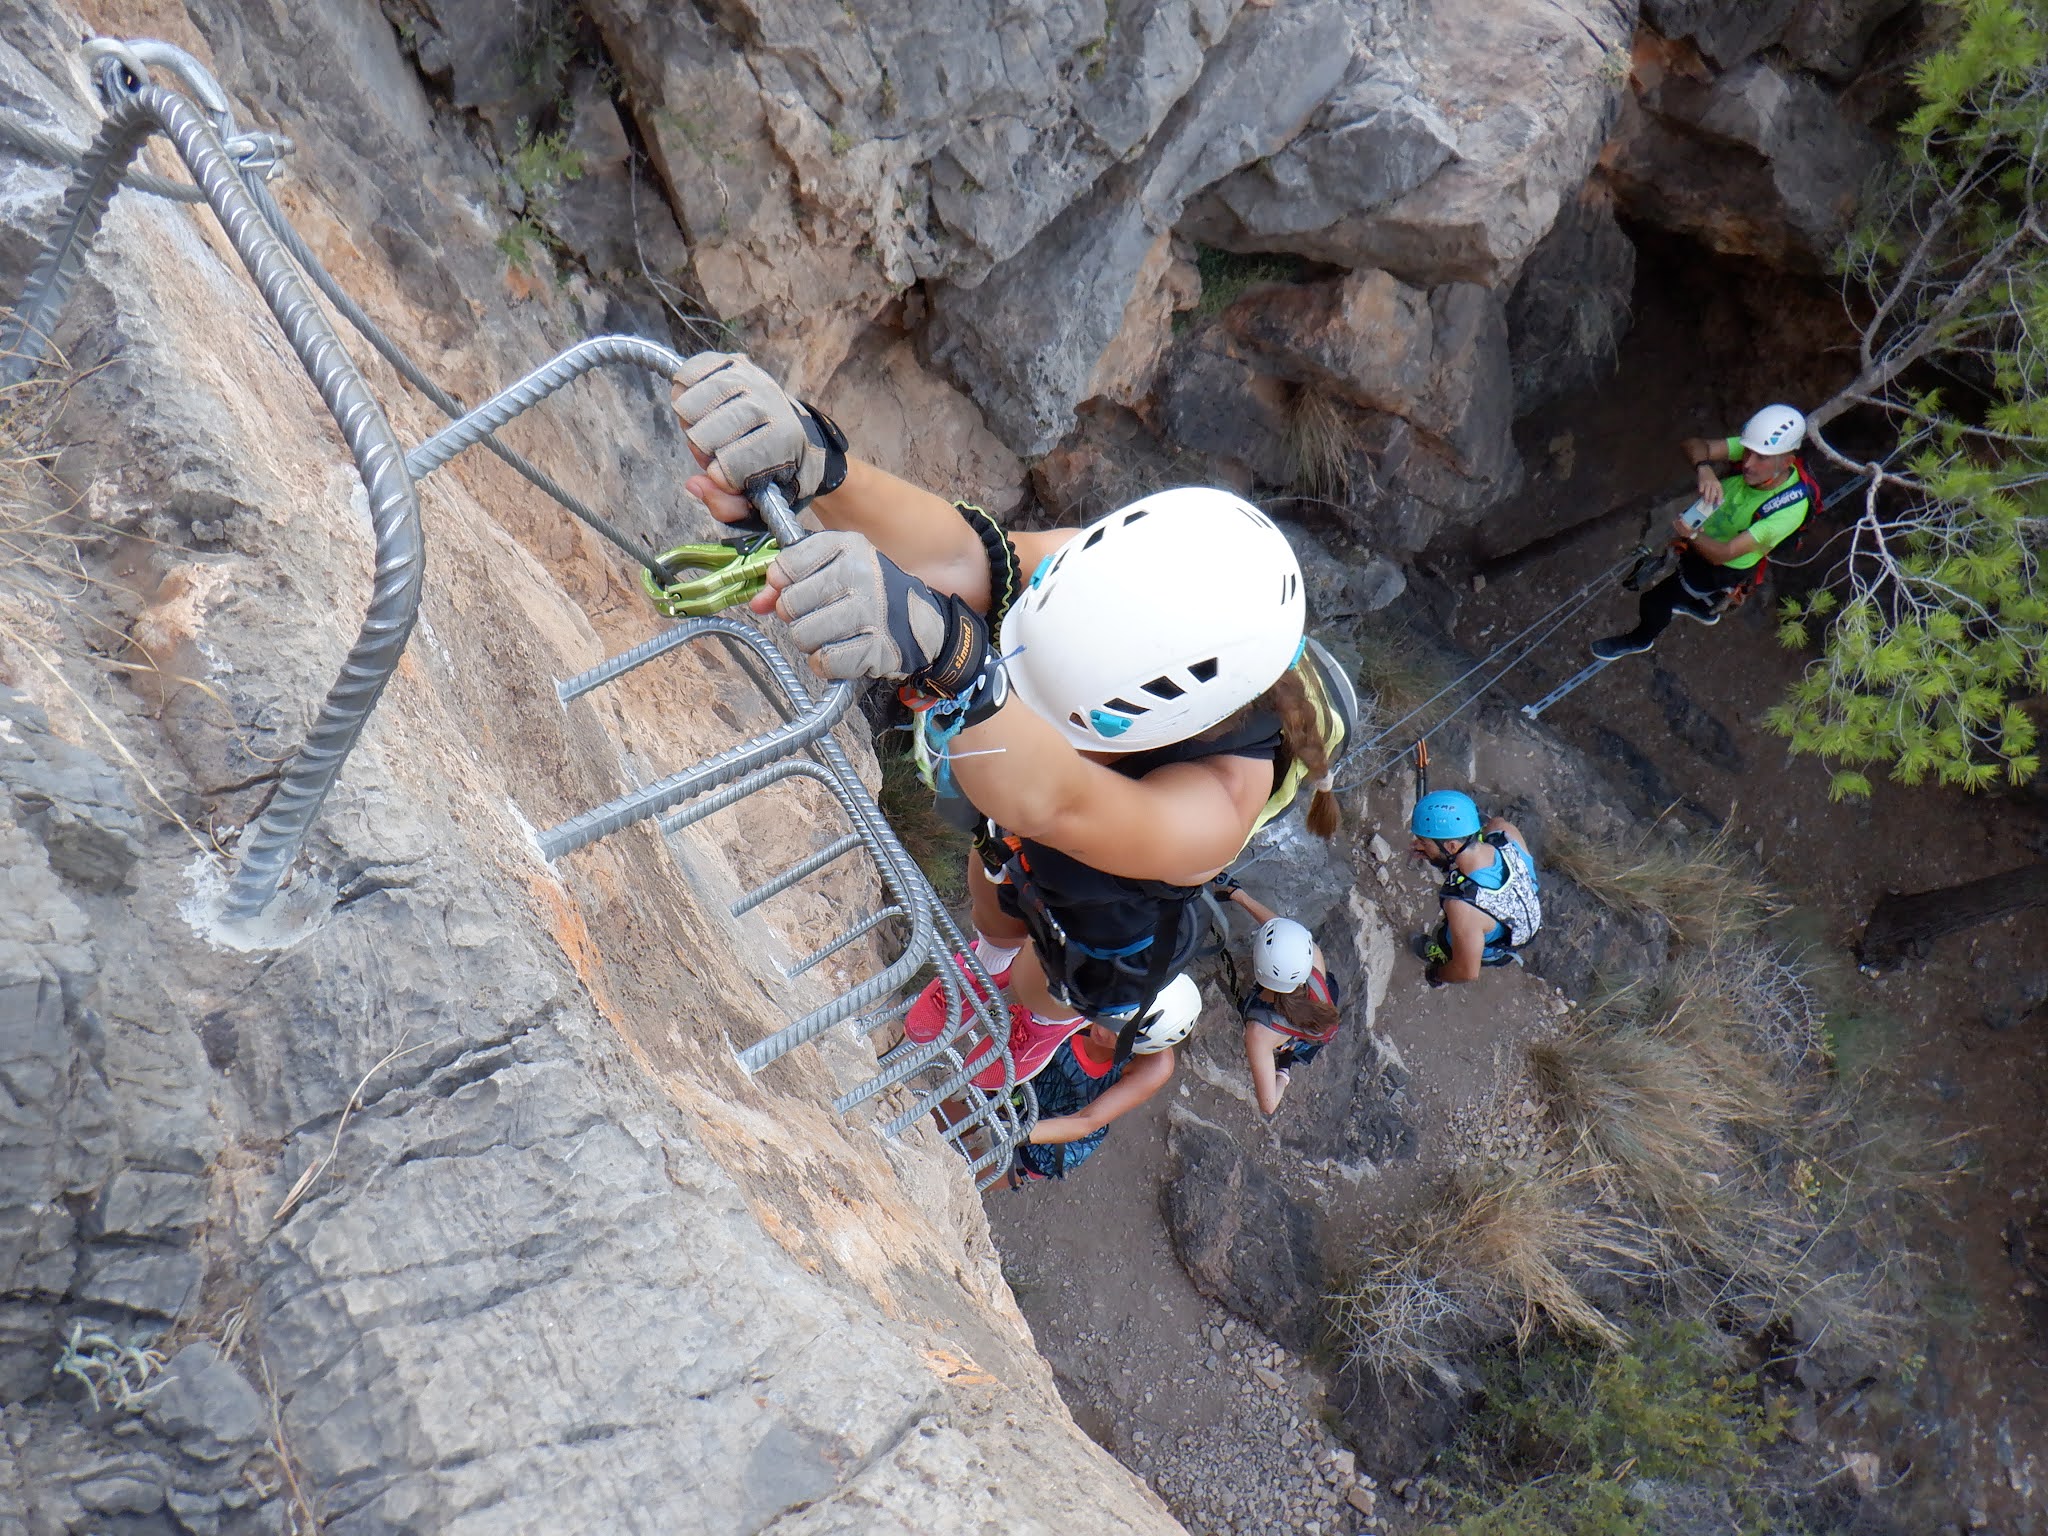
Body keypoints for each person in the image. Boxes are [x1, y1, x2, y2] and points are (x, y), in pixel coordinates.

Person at [668, 353, 1341, 1088]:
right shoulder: (1107, 579)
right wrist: (821, 465)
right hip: (1017, 821)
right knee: (996, 885)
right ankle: (981, 963)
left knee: (1042, 982)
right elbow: (965, 555)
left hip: (1103, 927)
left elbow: (1060, 800)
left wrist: (953, 656)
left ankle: (1034, 1034)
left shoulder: (1214, 809)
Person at [1591, 404, 1815, 659]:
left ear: (1786, 461)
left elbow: (1724, 554)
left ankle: (1641, 639)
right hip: (1705, 535)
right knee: (1686, 579)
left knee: (1655, 601)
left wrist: (1692, 536)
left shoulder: (1789, 510)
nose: (1747, 464)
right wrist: (1704, 468)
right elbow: (1694, 444)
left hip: (1720, 567)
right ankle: (1701, 605)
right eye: (1747, 453)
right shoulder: (1761, 452)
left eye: (1759, 458)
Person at [1008, 973, 1199, 1183]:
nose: (1102, 1030)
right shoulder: (1093, 988)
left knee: (976, 1172)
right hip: (1020, 1073)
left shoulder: (1154, 1066)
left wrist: (1016, 1134)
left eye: (1119, 1037)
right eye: (1111, 1016)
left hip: (1057, 1131)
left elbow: (1087, 1120)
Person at [1214, 878, 1340, 1115]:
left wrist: (1283, 1072)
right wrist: (1240, 896)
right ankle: (1290, 1052)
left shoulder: (1258, 1033)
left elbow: (1268, 1106)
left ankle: (1288, 1053)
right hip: (1315, 1018)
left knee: (1277, 1036)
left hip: (1290, 1035)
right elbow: (1280, 934)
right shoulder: (1313, 958)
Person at [1410, 790, 1541, 985]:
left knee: (1448, 941)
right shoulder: (1504, 832)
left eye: (1424, 842)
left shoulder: (1463, 907)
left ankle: (1441, 955)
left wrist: (1436, 974)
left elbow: (1467, 972)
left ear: (1452, 846)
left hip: (1488, 944)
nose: (1417, 845)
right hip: (1519, 917)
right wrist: (1439, 855)